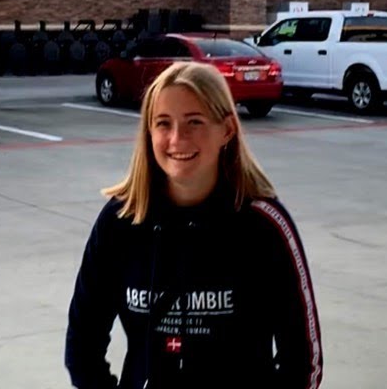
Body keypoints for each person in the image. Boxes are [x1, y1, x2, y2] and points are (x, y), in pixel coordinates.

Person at [65, 62, 322, 389]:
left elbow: (303, 358)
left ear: (227, 130)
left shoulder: (263, 225)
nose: (177, 139)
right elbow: (82, 341)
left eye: (194, 122)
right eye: (163, 123)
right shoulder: (120, 222)